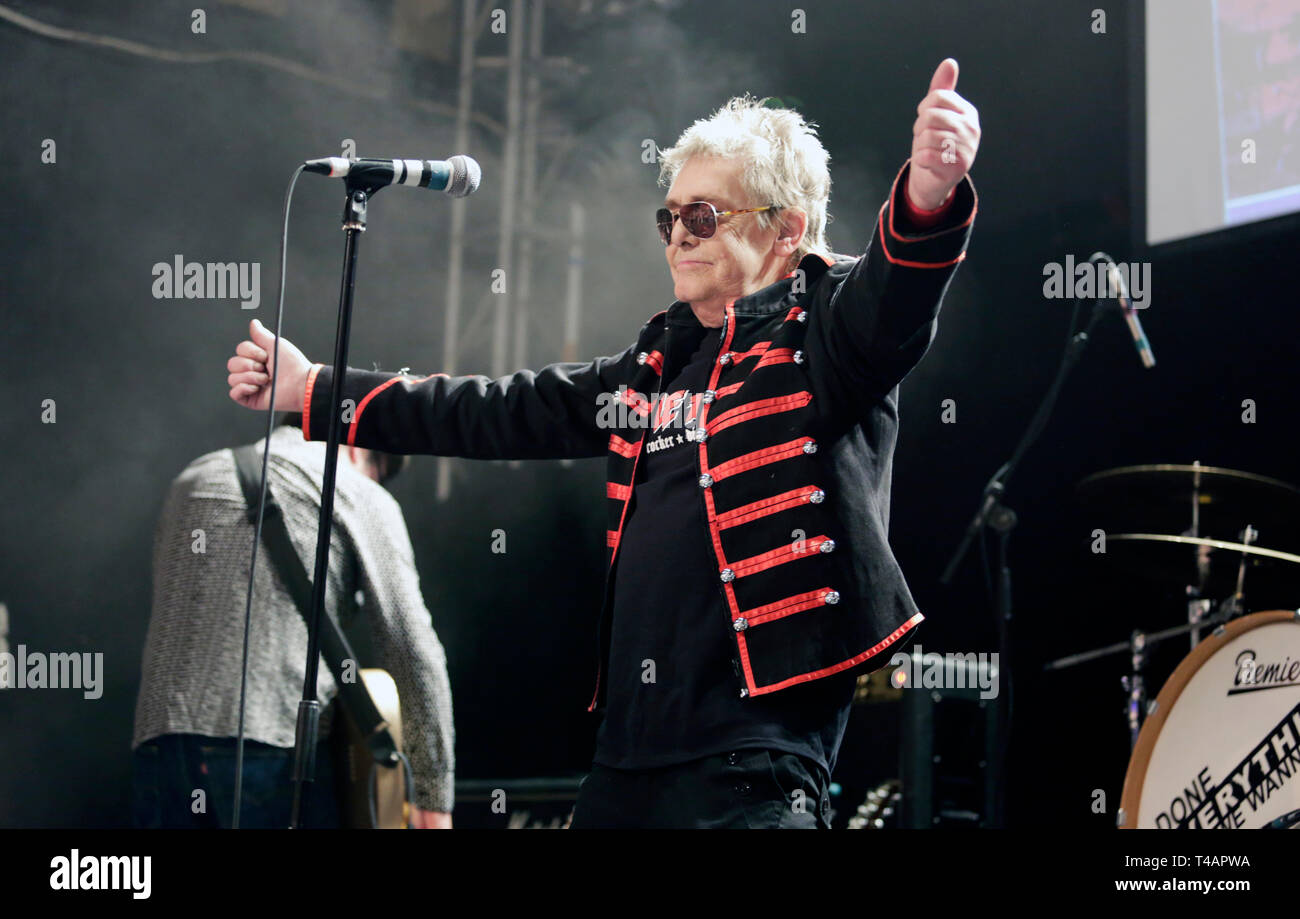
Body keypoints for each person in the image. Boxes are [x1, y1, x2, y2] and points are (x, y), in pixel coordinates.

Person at [225, 59, 980, 828]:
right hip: (624, 763)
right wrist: (314, 390)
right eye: (670, 218)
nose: (678, 237)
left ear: (785, 228)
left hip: (755, 762)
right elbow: (497, 410)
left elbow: (897, 294)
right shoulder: (655, 365)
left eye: (703, 217)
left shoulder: (826, 330)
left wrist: (926, 196)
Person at [132, 414, 455, 828]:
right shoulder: (356, 490)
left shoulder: (193, 477)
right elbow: (411, 648)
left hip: (157, 746)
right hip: (271, 748)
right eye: (379, 474)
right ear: (358, 447)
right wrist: (433, 797)